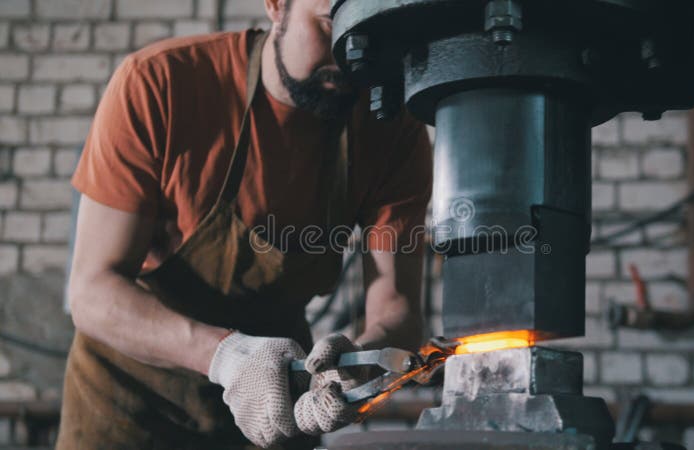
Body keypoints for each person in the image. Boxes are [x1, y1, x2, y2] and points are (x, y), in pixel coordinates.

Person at [55, 0, 432, 448]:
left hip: (278, 405)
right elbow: (92, 292)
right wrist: (228, 357)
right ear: (276, 6)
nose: (349, 55)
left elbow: (397, 311)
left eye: (366, 31)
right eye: (331, 25)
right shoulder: (161, 83)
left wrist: (354, 367)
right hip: (130, 406)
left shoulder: (390, 128)